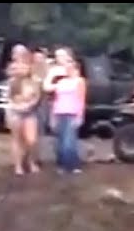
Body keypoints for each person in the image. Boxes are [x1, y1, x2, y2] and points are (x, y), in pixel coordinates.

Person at [5, 45, 42, 175]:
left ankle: (31, 162)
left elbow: (37, 97)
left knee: (31, 140)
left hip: (29, 111)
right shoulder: (12, 80)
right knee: (17, 139)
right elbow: (9, 97)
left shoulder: (34, 80)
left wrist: (30, 104)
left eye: (25, 67)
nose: (22, 69)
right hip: (15, 111)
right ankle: (18, 166)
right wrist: (16, 106)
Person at [50, 56, 86, 174]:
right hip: (60, 113)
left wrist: (80, 116)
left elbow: (81, 99)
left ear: (76, 69)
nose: (68, 70)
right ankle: (62, 164)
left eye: (70, 68)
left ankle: (71, 165)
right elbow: (56, 100)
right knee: (60, 141)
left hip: (72, 113)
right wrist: (53, 116)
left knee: (69, 141)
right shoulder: (60, 82)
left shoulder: (79, 81)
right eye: (67, 68)